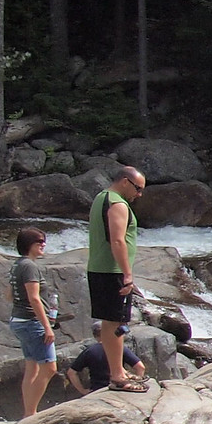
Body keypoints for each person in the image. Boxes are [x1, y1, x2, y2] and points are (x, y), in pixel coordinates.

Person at [86, 165, 146, 391]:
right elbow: (118, 240)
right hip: (112, 271)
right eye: (137, 189)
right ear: (124, 181)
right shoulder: (118, 204)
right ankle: (118, 374)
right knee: (114, 323)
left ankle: (117, 372)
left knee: (111, 322)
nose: (138, 194)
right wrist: (127, 273)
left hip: (99, 268)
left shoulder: (101, 198)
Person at [8, 228, 59, 417]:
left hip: (18, 320)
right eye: (39, 242)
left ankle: (28, 411)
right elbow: (34, 298)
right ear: (29, 245)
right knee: (49, 368)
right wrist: (47, 326)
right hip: (31, 322)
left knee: (32, 366)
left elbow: (8, 294)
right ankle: (30, 412)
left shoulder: (17, 264)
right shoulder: (30, 266)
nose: (43, 244)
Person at [66, 336, 149, 396]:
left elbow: (71, 372)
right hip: (120, 388)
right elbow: (140, 367)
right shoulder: (119, 348)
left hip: (97, 391)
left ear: (95, 336)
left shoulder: (89, 351)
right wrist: (137, 383)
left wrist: (82, 390)